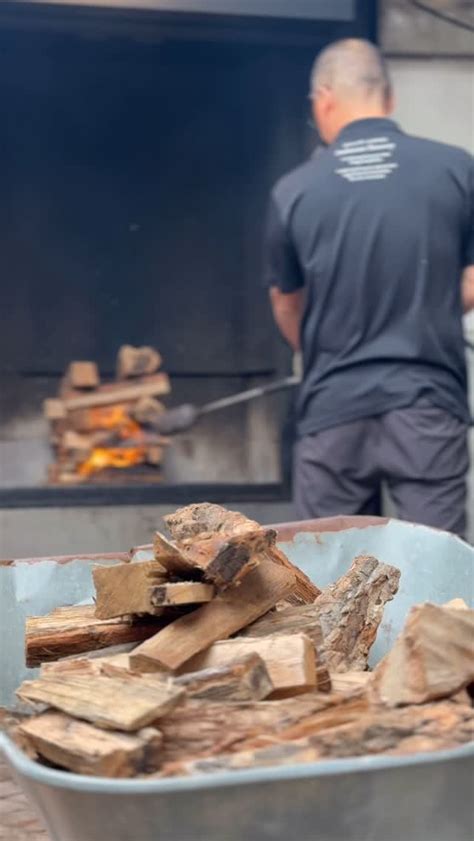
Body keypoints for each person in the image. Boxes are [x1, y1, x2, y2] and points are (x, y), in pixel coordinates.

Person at [264, 38, 474, 536]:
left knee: (327, 585)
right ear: (389, 98)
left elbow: (286, 302)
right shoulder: (455, 169)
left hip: (332, 410)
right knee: (441, 576)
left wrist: (321, 351)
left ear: (324, 99)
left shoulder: (294, 190)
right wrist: (437, 305)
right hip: (426, 407)